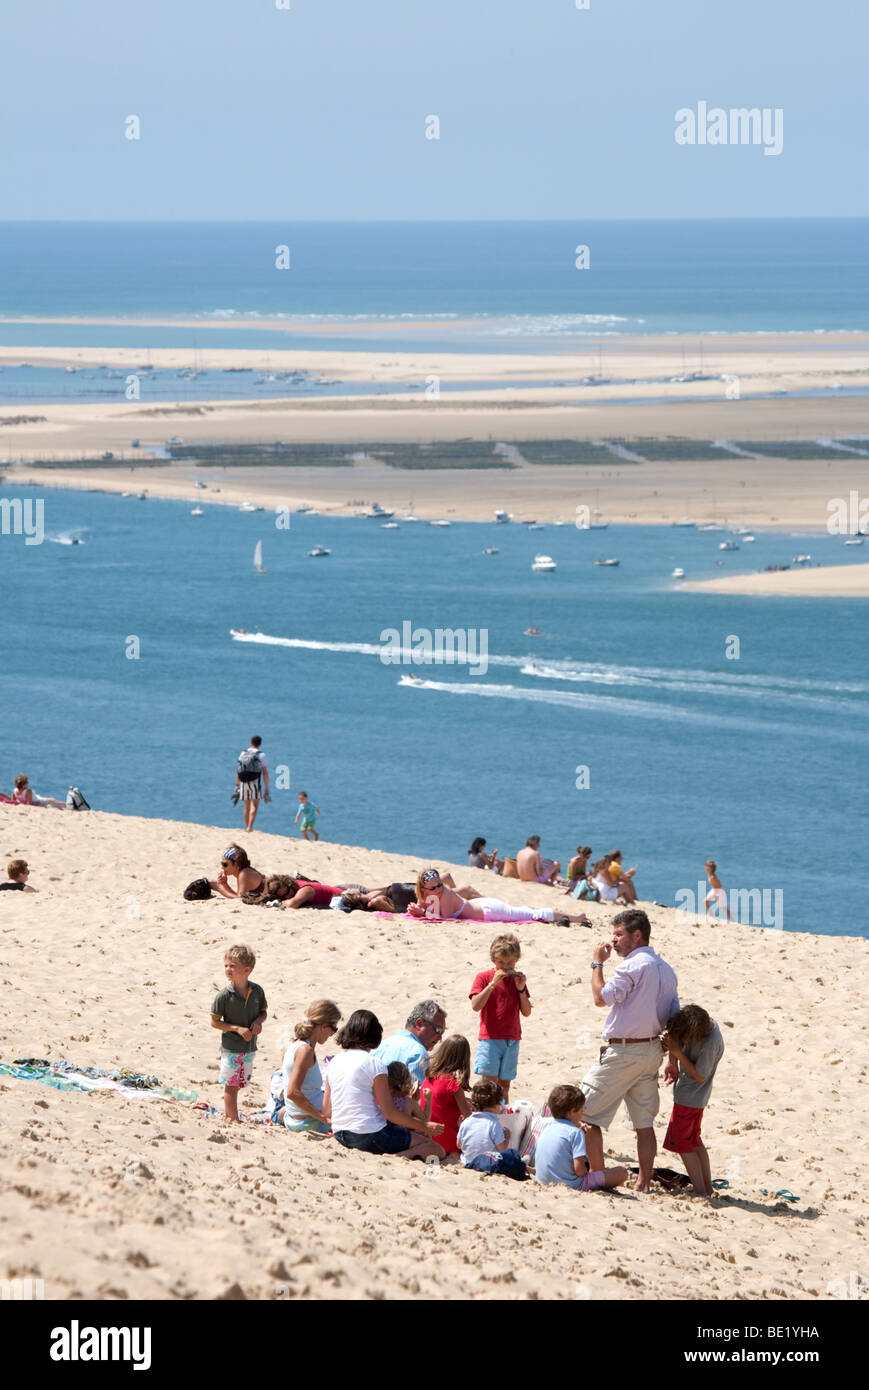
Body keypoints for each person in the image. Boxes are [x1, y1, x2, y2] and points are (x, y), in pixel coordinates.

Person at [580, 908, 679, 1193]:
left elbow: (600, 998)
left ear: (637, 935)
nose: (614, 940)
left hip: (624, 1052)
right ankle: (643, 1182)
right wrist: (672, 1060)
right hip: (651, 1052)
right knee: (644, 1123)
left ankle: (597, 1175)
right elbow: (675, 1023)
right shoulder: (666, 969)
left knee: (586, 1113)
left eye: (619, 934)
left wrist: (596, 963)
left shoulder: (631, 967)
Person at [322, 1009, 444, 1158]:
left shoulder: (334, 1062)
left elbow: (327, 1112)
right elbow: (389, 1112)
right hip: (367, 1134)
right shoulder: (375, 1064)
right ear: (375, 1035)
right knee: (435, 1148)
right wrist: (424, 1126)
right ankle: (400, 1156)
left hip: (340, 1133)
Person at [661, 1005, 725, 1197]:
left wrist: (678, 1054)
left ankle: (700, 1190)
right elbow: (676, 1037)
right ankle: (707, 1188)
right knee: (694, 1141)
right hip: (696, 1099)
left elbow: (700, 1075)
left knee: (682, 1143)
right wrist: (672, 1060)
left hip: (690, 1099)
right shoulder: (697, 1023)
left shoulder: (710, 1043)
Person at [407, 868, 589, 926]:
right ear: (423, 888)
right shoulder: (423, 893)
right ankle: (553, 911)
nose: (439, 889)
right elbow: (422, 904)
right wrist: (418, 908)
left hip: (488, 911)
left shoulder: (444, 894)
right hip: (477, 905)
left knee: (531, 916)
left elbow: (443, 919)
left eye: (440, 884)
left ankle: (576, 918)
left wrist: (421, 912)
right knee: (523, 912)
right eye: (434, 887)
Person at [469, 932, 531, 1102]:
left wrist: (521, 989)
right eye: (501, 962)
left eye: (510, 962)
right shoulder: (484, 977)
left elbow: (526, 1012)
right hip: (490, 1039)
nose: (505, 966)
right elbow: (475, 1005)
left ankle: (504, 1119)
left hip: (512, 1039)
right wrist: (492, 984)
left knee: (505, 1087)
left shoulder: (517, 980)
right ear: (493, 959)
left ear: (516, 960)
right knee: (488, 1086)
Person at [210, 943, 268, 1122]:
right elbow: (214, 1022)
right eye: (226, 965)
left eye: (232, 966)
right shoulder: (224, 996)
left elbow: (263, 1012)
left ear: (247, 969)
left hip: (249, 1047)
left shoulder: (257, 991)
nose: (228, 969)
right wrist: (236, 1028)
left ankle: (232, 1116)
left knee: (240, 1083)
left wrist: (258, 1022)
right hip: (231, 1047)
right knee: (231, 1085)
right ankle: (233, 1120)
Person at [534, 1084, 628, 1192]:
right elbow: (579, 1170)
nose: (582, 1113)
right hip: (572, 1185)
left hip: (543, 1180)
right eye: (581, 1110)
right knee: (622, 1172)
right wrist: (586, 1171)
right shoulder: (575, 1133)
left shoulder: (547, 1128)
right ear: (572, 1112)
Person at [269, 999, 341, 1132]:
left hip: (296, 1117)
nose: (332, 1034)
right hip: (308, 1122)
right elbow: (293, 1092)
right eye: (334, 1028)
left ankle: (280, 1114)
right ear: (324, 1026)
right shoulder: (305, 1051)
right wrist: (322, 1118)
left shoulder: (295, 1045)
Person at [456, 1079, 528, 1180]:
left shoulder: (467, 1122)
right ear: (496, 1105)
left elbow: (459, 1145)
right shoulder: (494, 1124)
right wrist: (507, 1138)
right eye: (501, 1102)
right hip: (487, 1163)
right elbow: (501, 1148)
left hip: (467, 1162)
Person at [420, 1034, 473, 1156]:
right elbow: (468, 1118)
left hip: (428, 1138)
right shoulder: (453, 1084)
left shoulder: (429, 1079)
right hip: (448, 1142)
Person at [373, 1000, 447, 1085]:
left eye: (442, 1033)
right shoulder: (418, 1053)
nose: (440, 1038)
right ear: (419, 1024)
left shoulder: (381, 1046)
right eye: (438, 1030)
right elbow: (418, 1096)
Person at [386, 1062, 446, 1160]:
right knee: (436, 1148)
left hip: (388, 1137)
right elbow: (425, 1120)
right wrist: (427, 1100)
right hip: (407, 1140)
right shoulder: (409, 1102)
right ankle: (402, 1155)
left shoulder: (384, 1099)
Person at [235, 736, 269, 833]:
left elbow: (238, 770)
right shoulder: (261, 755)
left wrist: (237, 784)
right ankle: (250, 827)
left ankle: (247, 827)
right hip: (255, 782)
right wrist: (266, 787)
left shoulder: (243, 753)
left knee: (246, 806)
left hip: (243, 781)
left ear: (251, 742)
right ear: (260, 744)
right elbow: (265, 773)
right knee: (254, 805)